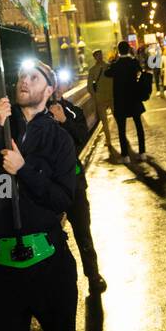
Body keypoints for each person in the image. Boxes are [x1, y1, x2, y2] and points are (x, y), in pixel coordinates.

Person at [0, 59, 78, 331]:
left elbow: (62, 198)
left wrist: (24, 170)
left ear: (49, 88)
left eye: (33, 76)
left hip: (50, 264)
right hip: (4, 270)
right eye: (20, 76)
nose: (24, 81)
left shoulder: (60, 140)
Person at [49, 92, 107, 294]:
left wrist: (63, 120)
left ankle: (93, 275)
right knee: (51, 236)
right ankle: (58, 283)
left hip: (74, 183)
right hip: (47, 187)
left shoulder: (73, 111)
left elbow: (82, 136)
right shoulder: (34, 115)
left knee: (83, 232)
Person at [106, 40, 149, 162]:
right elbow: (141, 70)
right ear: (128, 49)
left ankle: (125, 156)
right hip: (134, 98)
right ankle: (142, 153)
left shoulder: (115, 65)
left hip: (121, 101)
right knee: (139, 126)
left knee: (121, 128)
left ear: (118, 51)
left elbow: (107, 73)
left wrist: (113, 60)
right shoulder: (133, 62)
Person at [86, 49, 118, 159]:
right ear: (95, 57)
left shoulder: (94, 70)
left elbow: (90, 87)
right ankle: (109, 140)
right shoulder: (108, 67)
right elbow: (89, 87)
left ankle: (113, 140)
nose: (99, 57)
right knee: (108, 120)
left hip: (107, 97)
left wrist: (96, 96)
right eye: (98, 55)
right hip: (107, 97)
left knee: (109, 119)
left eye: (100, 55)